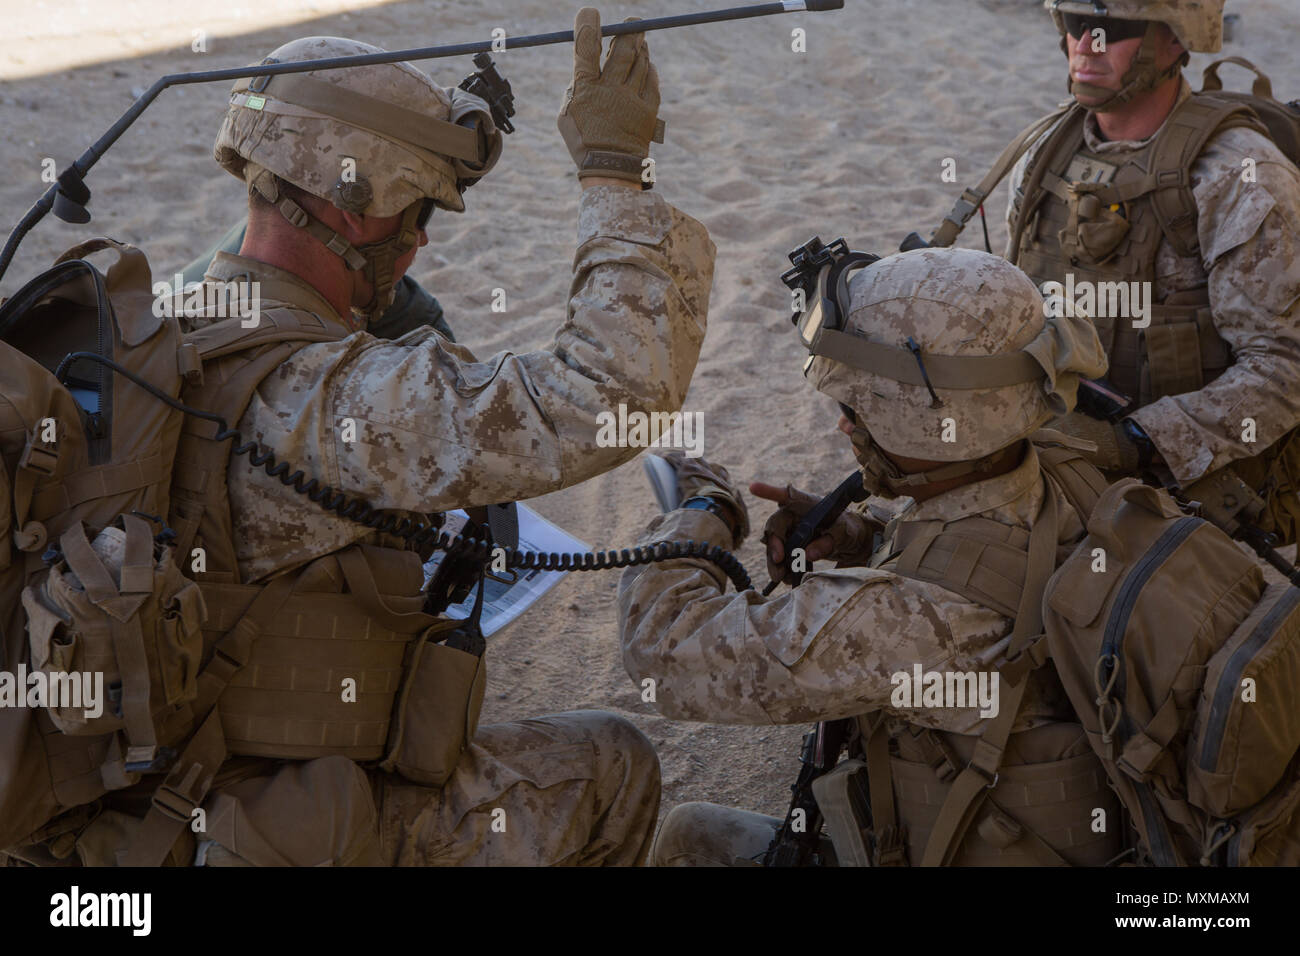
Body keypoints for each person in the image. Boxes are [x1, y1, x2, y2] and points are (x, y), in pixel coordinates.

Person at [66, 8, 714, 868]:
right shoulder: (331, 401)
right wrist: (615, 177)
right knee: (611, 762)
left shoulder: (159, 332)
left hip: (115, 806)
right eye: (414, 214)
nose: (415, 244)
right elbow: (607, 392)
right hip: (246, 824)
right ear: (353, 204)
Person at [617, 246, 1126, 866]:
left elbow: (663, 655)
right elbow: (993, 555)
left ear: (917, 418)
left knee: (693, 837)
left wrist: (702, 513)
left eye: (855, 410)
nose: (844, 429)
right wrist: (864, 538)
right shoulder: (1075, 470)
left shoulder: (903, 620)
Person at [997, 0, 1300, 542]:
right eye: (1075, 25)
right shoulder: (1045, 154)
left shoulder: (1237, 175)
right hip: (1051, 466)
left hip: (1189, 494)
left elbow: (1284, 366)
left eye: (1113, 30)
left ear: (1177, 40)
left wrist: (1136, 439)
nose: (1087, 47)